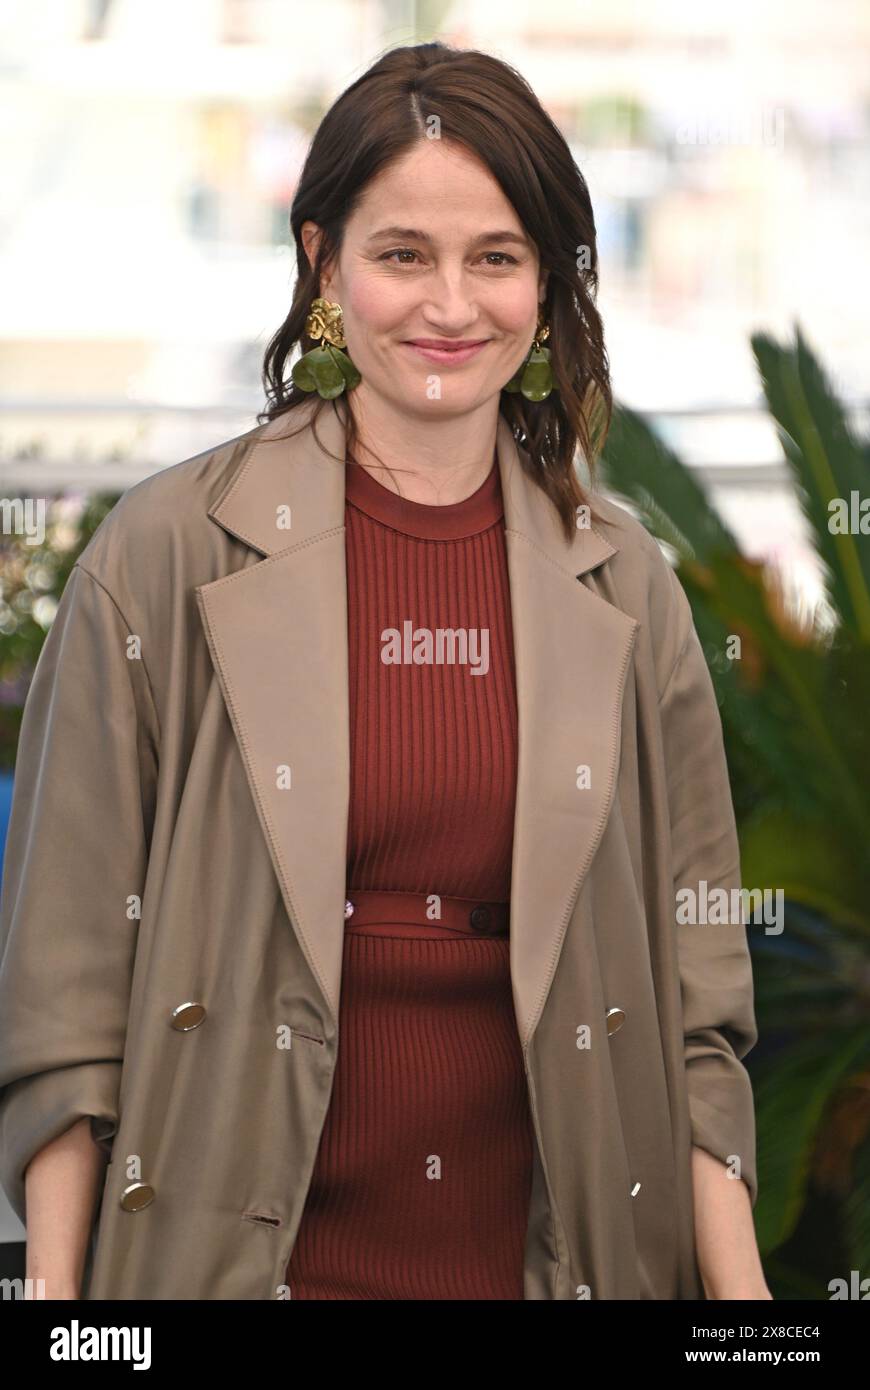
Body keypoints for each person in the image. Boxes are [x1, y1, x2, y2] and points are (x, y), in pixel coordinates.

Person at [0, 41, 770, 1300]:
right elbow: (67, 1011)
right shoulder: (162, 557)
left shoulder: (630, 589)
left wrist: (746, 1321)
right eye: (403, 253)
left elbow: (698, 1027)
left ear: (550, 284)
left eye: (497, 258)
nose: (451, 305)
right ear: (323, 263)